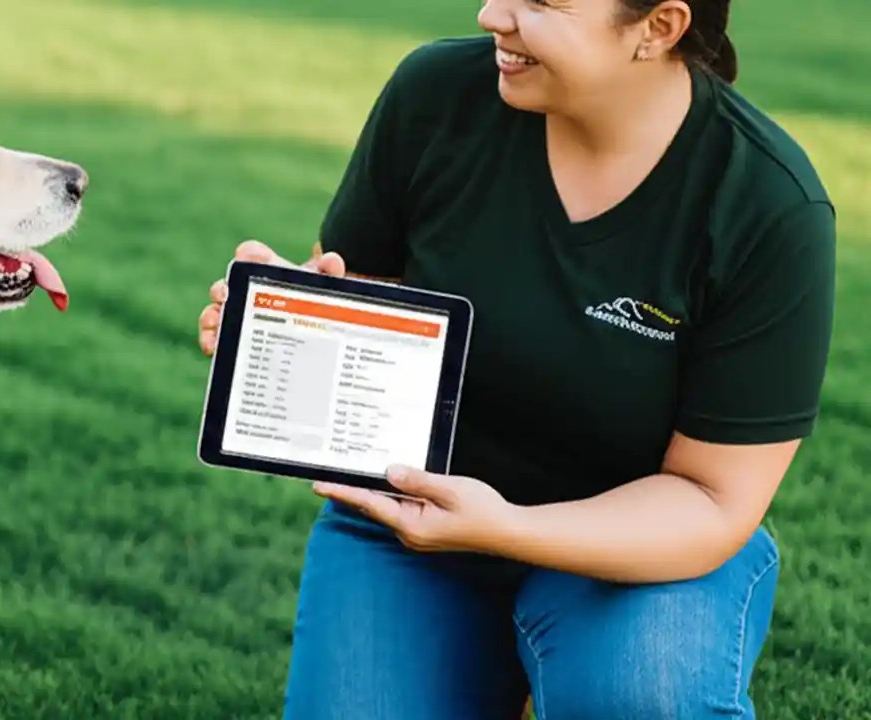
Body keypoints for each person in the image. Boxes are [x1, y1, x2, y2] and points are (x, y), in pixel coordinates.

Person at [196, 0, 836, 718]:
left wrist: (505, 527)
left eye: (540, 2)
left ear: (658, 28)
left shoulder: (766, 204)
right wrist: (298, 321)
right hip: (411, 522)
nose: (490, 13)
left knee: (641, 694)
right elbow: (372, 295)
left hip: (638, 550)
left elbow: (713, 500)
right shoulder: (434, 96)